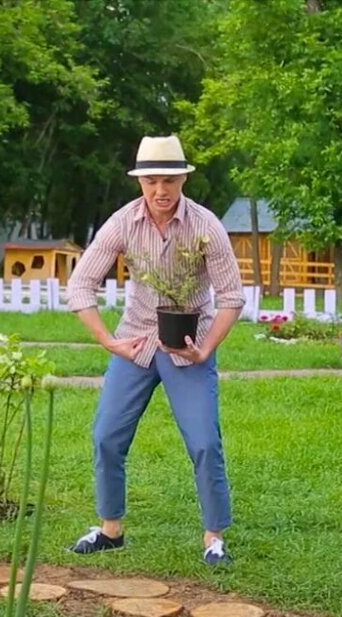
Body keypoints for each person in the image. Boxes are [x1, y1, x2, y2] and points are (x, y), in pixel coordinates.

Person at [64, 135, 245, 565]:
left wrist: (205, 348)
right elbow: (80, 283)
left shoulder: (205, 226)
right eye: (151, 181)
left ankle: (214, 537)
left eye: (169, 180)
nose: (160, 191)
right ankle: (110, 529)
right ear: (140, 182)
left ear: (182, 179)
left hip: (187, 343)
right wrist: (109, 341)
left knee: (203, 441)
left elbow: (232, 296)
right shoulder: (123, 222)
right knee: (107, 435)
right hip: (136, 341)